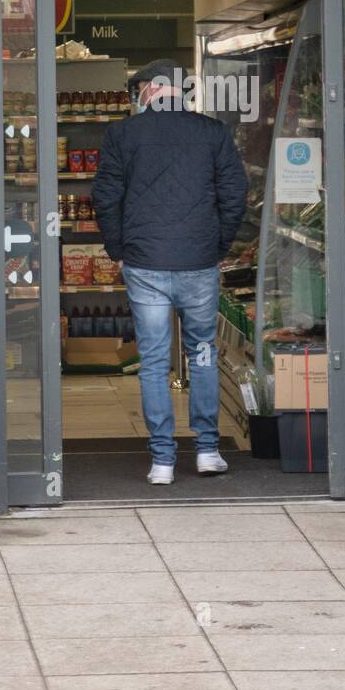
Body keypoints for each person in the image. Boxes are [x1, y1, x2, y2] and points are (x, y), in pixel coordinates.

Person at [91, 58, 248, 486]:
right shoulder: (213, 133)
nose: (136, 96)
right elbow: (235, 194)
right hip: (198, 263)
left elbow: (105, 196)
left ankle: (162, 460)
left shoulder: (123, 134)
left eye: (138, 89)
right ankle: (208, 450)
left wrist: (118, 251)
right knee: (201, 354)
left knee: (155, 362)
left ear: (150, 89)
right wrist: (218, 247)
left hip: (145, 264)